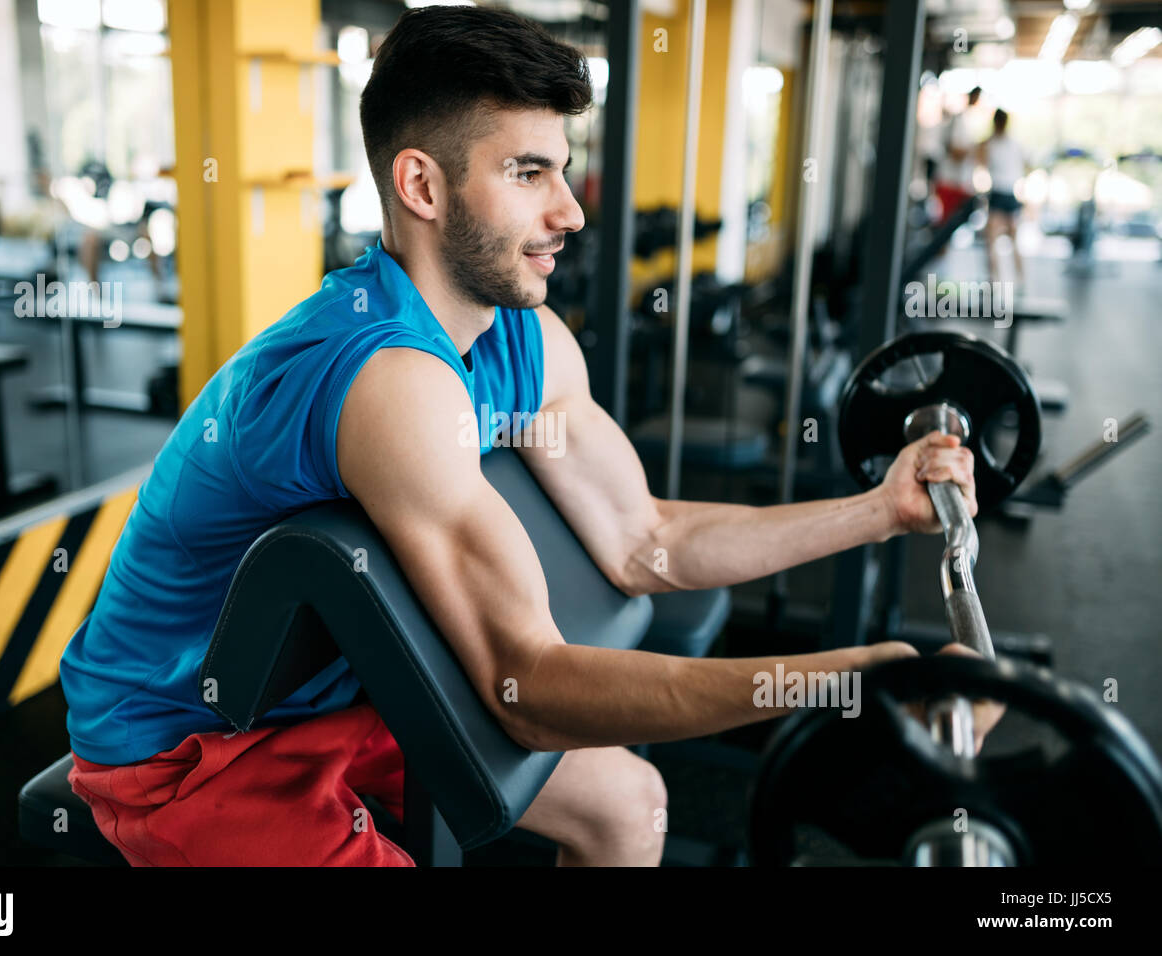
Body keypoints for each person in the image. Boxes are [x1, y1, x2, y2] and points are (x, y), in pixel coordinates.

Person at [59, 5, 994, 868]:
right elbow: (529, 686)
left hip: (336, 685)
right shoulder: (387, 383)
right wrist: (848, 683)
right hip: (188, 744)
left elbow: (644, 543)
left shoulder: (522, 336)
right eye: (527, 173)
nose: (572, 211)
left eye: (561, 165)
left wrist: (878, 511)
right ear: (420, 184)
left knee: (630, 804)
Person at [978, 108, 1026, 286]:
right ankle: (1016, 280)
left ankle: (994, 280)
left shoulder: (992, 144)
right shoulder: (1012, 145)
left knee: (992, 242)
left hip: (1001, 194)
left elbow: (981, 162)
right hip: (1008, 194)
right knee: (1011, 242)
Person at [934, 86, 983, 226]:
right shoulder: (959, 120)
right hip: (950, 180)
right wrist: (972, 151)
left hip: (960, 181)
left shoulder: (970, 121)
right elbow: (954, 150)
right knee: (945, 224)